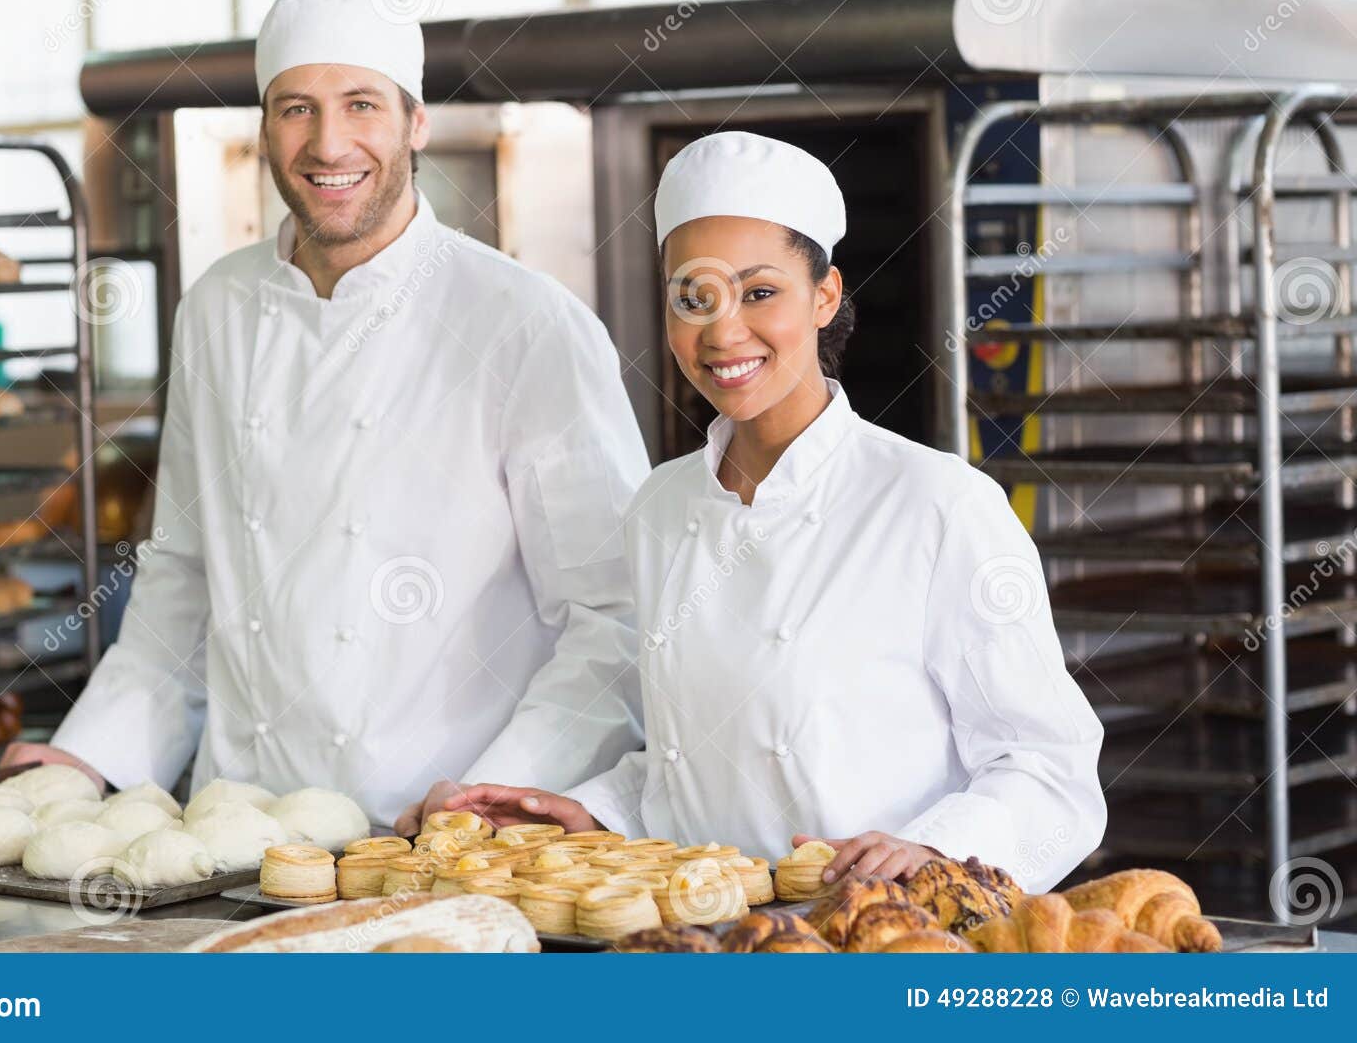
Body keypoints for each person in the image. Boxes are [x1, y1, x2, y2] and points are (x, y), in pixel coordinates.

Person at [2, 0, 650, 829]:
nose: (327, 141)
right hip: (236, 836)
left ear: (415, 123)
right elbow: (186, 576)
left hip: (438, 833)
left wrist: (502, 792)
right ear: (265, 128)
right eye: (296, 109)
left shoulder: (525, 322)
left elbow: (615, 615)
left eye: (361, 105)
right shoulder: (218, 307)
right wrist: (90, 755)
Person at [441, 131, 1106, 891]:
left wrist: (934, 850)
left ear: (824, 296)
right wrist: (592, 812)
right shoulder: (662, 506)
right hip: (701, 944)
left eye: (760, 292)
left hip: (876, 944)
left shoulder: (937, 505)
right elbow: (690, 765)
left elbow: (1049, 769)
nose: (723, 331)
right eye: (694, 296)